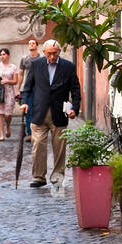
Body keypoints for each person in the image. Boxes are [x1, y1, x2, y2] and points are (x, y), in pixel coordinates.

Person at [20, 39, 81, 188]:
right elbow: (27, 86)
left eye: (54, 53)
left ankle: (57, 177)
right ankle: (39, 177)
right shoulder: (36, 64)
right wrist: (24, 102)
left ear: (59, 52)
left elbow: (75, 90)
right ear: (44, 52)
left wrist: (75, 108)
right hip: (39, 111)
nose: (52, 57)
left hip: (60, 113)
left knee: (59, 147)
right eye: (49, 54)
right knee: (38, 145)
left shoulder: (68, 67)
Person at [19, 36, 40, 138]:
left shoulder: (42, 59)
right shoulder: (24, 59)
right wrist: (18, 89)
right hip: (28, 88)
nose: (31, 45)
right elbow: (21, 74)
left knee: (38, 110)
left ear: (37, 46)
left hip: (39, 88)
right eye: (29, 43)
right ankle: (29, 133)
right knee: (28, 110)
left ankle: (37, 132)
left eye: (33, 43)